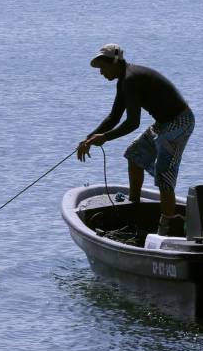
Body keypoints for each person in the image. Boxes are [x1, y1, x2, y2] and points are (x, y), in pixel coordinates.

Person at [77, 44, 195, 236]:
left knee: (164, 174)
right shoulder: (123, 80)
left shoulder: (131, 79)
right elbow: (114, 117)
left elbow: (133, 123)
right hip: (162, 123)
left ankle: (168, 226)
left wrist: (105, 137)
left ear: (115, 63)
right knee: (134, 155)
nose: (100, 73)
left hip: (179, 122)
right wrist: (88, 139)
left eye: (102, 67)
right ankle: (135, 211)